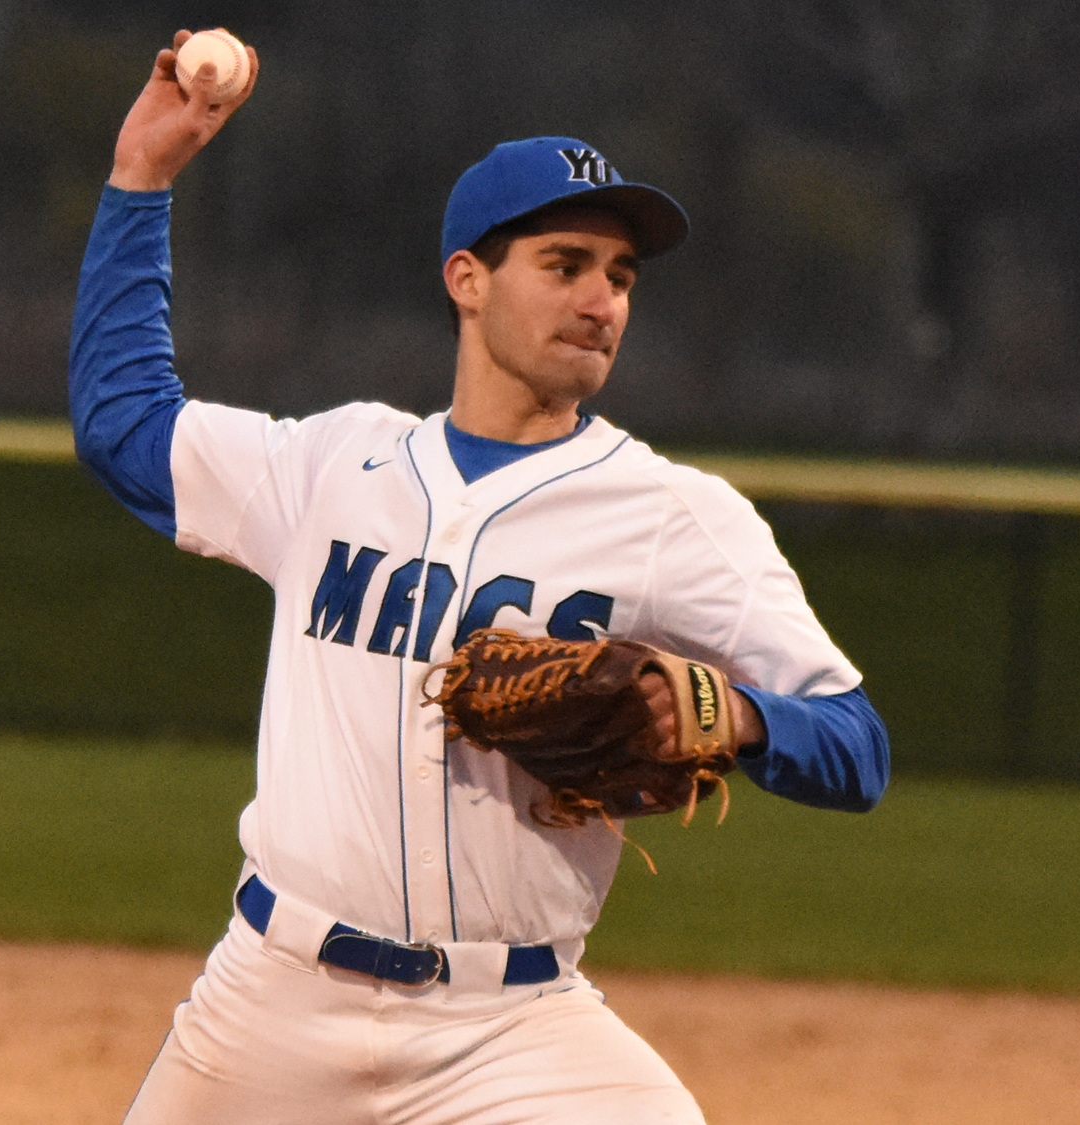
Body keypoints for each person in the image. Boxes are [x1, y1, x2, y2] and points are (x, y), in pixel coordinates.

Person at [71, 32, 890, 1125]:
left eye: (620, 275)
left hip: (510, 1029)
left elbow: (856, 744)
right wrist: (141, 180)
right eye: (563, 265)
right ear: (467, 279)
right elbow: (124, 424)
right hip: (270, 1000)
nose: (600, 299)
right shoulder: (330, 465)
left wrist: (730, 715)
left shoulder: (672, 516)